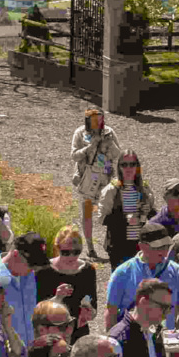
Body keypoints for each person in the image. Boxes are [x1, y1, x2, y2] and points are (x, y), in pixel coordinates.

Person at [67, 108, 121, 260]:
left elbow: (118, 155)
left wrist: (111, 144)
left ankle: (109, 244)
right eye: (95, 119)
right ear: (87, 120)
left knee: (109, 210)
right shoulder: (80, 133)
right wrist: (90, 147)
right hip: (88, 178)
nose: (98, 122)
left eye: (100, 118)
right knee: (88, 212)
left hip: (106, 177)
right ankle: (90, 247)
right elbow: (74, 155)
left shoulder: (109, 132)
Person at [35, 225, 100, 339]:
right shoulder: (44, 271)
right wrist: (57, 298)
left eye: (76, 252)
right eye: (66, 252)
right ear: (57, 248)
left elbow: (93, 305)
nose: (71, 256)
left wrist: (89, 312)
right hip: (51, 332)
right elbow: (36, 311)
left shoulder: (88, 270)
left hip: (79, 331)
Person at [97, 151, 150, 268]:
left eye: (132, 164)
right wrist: (125, 219)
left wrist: (147, 211)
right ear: (119, 167)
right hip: (118, 246)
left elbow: (151, 216)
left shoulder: (144, 188)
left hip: (139, 245)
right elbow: (101, 218)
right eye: (124, 164)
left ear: (137, 167)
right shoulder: (111, 189)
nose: (128, 168)